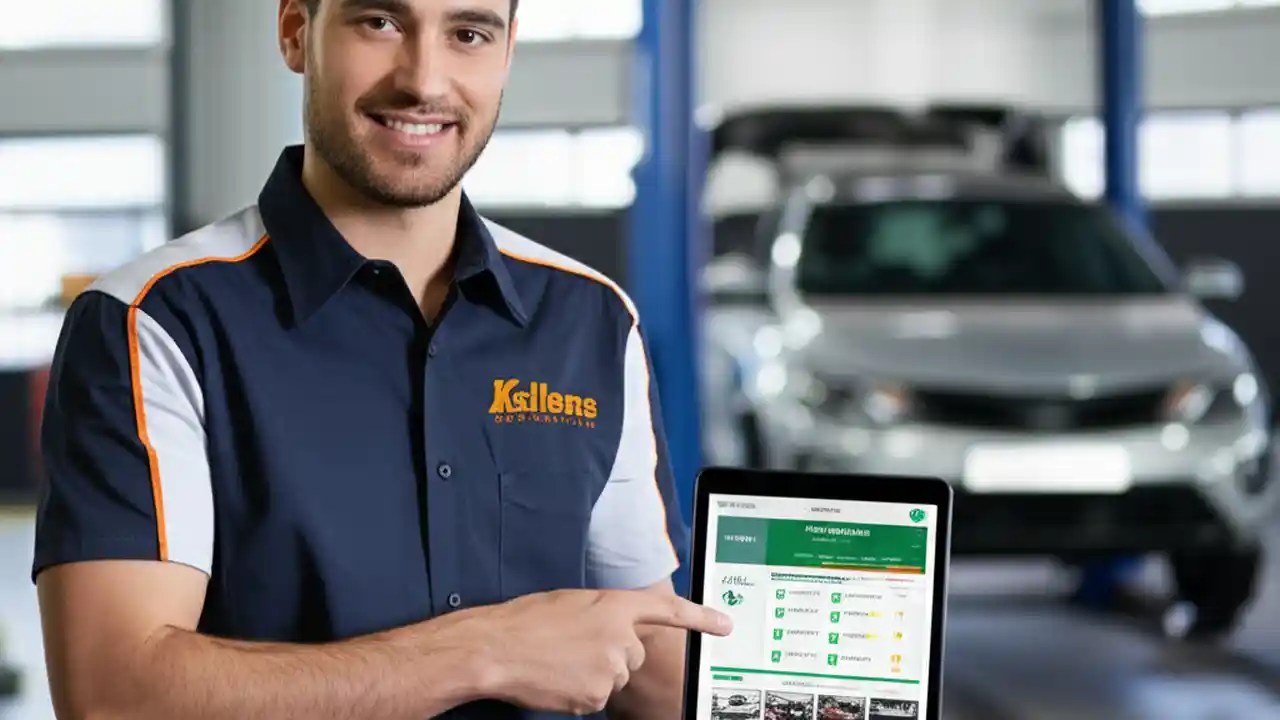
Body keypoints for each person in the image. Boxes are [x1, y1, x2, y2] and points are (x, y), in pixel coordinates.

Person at [32, 1, 731, 718]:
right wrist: (484, 651)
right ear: (296, 32)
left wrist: (815, 673)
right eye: (380, 22)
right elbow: (115, 694)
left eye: (468, 34)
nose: (425, 80)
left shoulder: (591, 319)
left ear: (508, 51)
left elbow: (646, 653)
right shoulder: (156, 319)